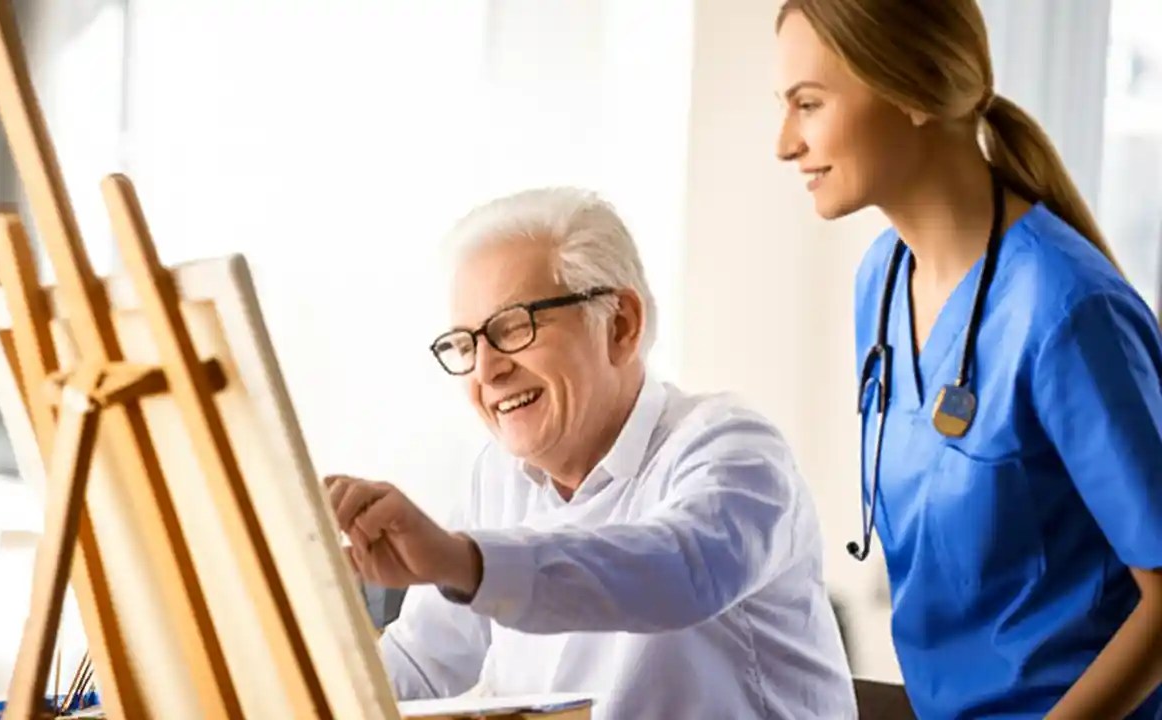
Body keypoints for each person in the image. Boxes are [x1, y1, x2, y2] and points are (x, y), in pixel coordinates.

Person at [326, 187, 856, 719]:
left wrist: (462, 561)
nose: (486, 371)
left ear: (620, 325)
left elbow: (678, 573)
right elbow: (420, 665)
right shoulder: (497, 474)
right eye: (465, 344)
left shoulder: (732, 447)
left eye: (514, 327)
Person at [774, 2, 1162, 718]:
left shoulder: (1066, 310)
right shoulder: (881, 280)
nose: (785, 143)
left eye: (809, 104)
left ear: (914, 90)